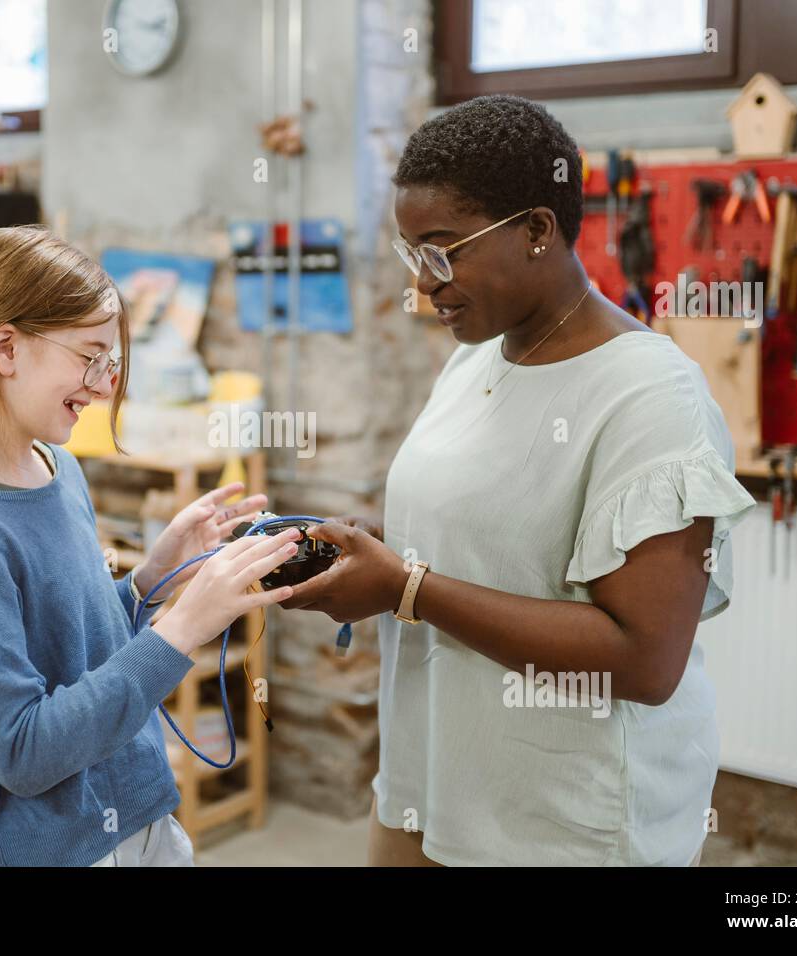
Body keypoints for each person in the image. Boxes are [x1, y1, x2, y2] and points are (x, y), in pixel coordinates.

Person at [282, 95, 756, 867]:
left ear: (538, 229)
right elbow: (466, 532)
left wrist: (405, 589)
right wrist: (359, 558)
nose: (425, 283)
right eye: (410, 256)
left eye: (443, 251)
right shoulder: (477, 358)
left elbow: (644, 659)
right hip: (431, 776)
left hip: (560, 821)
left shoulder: (650, 399)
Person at [0, 226, 299, 866]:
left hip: (140, 817)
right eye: (89, 356)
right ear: (7, 348)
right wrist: (180, 629)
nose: (104, 386)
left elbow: (69, 649)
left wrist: (150, 580)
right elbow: (23, 752)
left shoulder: (54, 465)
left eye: (111, 362)